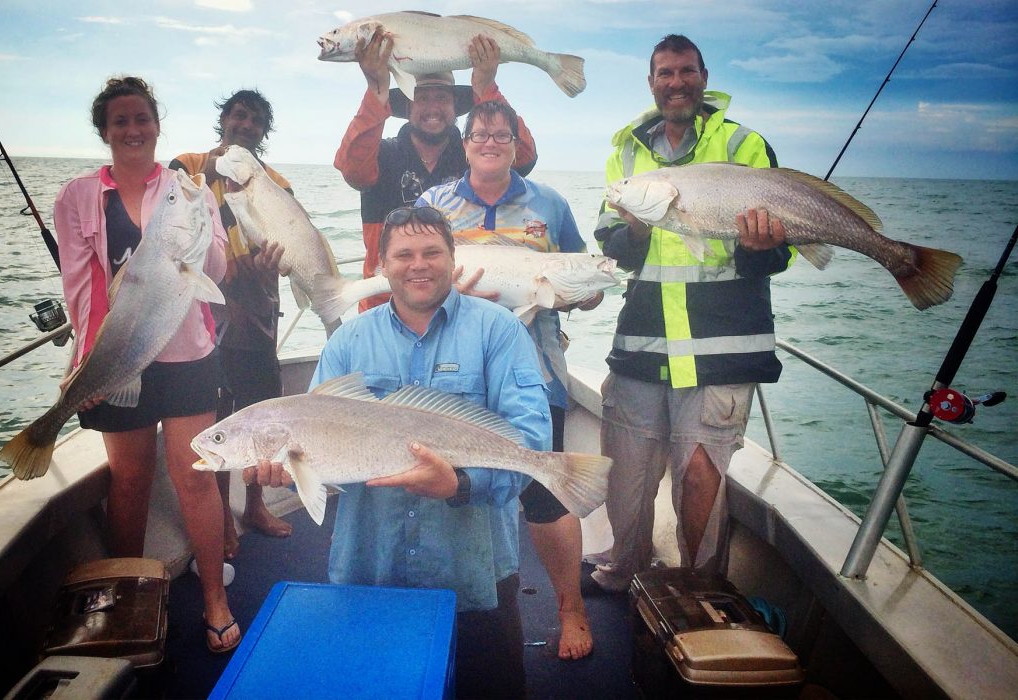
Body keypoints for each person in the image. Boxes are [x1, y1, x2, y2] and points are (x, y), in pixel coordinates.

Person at [247, 206, 550, 698]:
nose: (418, 264)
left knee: (492, 687)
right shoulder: (346, 342)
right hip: (373, 563)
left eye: (432, 252)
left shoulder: (499, 330)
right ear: (381, 266)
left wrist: (461, 484)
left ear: (453, 261)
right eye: (403, 254)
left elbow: (530, 439)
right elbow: (315, 443)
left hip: (472, 569)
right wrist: (288, 467)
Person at [591, 34, 793, 591]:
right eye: (664, 73)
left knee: (700, 479)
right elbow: (610, 240)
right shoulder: (624, 153)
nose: (675, 82)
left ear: (704, 77)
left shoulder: (745, 144)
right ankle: (623, 569)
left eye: (685, 72)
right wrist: (632, 227)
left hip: (722, 349)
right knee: (626, 478)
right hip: (642, 348)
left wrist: (762, 244)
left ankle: (696, 589)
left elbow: (781, 253)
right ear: (651, 82)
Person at [52, 76, 240, 652]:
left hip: (187, 355)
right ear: (105, 132)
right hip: (120, 354)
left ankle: (215, 598)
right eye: (120, 122)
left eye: (142, 119)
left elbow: (220, 272)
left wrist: (204, 224)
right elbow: (80, 287)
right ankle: (128, 601)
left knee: (195, 479)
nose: (133, 130)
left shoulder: (187, 190)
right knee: (129, 482)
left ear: (157, 125)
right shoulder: (79, 197)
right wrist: (84, 364)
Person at [416, 100, 602, 660]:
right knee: (449, 490)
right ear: (465, 142)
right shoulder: (434, 203)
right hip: (454, 376)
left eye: (502, 135)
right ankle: (447, 608)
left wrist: (585, 292)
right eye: (480, 134)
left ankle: (571, 608)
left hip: (535, 371)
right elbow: (414, 276)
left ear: (517, 145)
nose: (491, 142)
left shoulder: (550, 203)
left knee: (545, 495)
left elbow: (582, 287)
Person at [170, 89, 294, 554]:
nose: (246, 123)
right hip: (208, 312)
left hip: (258, 311)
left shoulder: (276, 182)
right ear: (224, 118)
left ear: (264, 131)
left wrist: (270, 262)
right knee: (219, 415)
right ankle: (221, 517)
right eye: (239, 114)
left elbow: (281, 243)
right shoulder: (187, 165)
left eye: (257, 119)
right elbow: (176, 228)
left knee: (261, 413)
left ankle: (256, 505)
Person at [334, 30, 538, 311]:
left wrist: (486, 87)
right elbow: (351, 170)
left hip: (464, 303)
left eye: (442, 98)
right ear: (407, 106)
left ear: (456, 106)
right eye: (422, 98)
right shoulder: (381, 152)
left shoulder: (475, 153)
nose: (433, 107)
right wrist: (375, 91)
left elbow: (524, 158)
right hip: (387, 305)